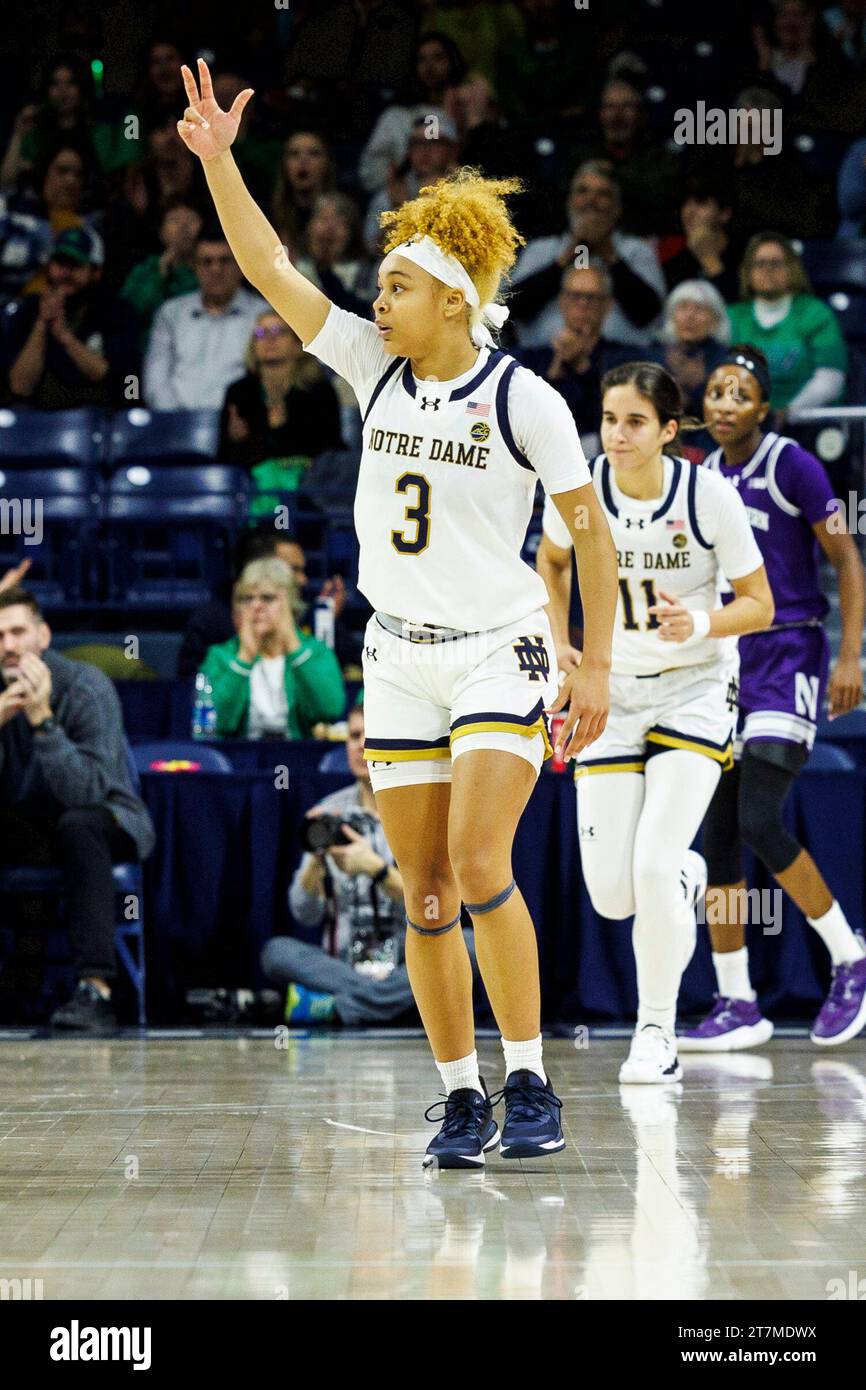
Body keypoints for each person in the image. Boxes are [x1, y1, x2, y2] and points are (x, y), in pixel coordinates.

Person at [177, 58, 618, 1168]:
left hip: (498, 653)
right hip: (398, 655)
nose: (377, 298)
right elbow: (271, 265)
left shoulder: (526, 399)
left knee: (478, 865)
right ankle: (460, 1094)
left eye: (397, 285)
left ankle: (530, 1081)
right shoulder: (371, 363)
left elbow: (593, 537)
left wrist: (597, 670)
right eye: (378, 284)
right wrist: (220, 163)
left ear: (454, 299)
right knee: (422, 890)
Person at [537, 362, 773, 1084]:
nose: (617, 433)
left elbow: (759, 604)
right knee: (613, 894)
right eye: (609, 419)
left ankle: (655, 1034)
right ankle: (683, 875)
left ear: (670, 430)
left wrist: (700, 621)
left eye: (635, 421)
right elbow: (551, 563)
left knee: (650, 861)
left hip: (693, 689)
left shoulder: (708, 496)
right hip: (610, 693)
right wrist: (560, 645)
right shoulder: (582, 490)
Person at [681, 345, 866, 1051]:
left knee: (760, 816)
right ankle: (736, 1000)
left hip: (790, 647)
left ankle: (850, 960)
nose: (725, 402)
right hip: (728, 657)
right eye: (716, 391)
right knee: (720, 833)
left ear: (762, 407)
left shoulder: (791, 463)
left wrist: (849, 655)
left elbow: (847, 556)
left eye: (740, 392)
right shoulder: (701, 477)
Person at [263, 699, 476, 1025]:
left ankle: (341, 1008)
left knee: (470, 944)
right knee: (275, 952)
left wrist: (375, 870)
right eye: (354, 735)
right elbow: (303, 913)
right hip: (342, 964)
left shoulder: (424, 810)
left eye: (371, 734)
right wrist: (316, 863)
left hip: (409, 961)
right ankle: (393, 1003)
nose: (361, 745)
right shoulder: (329, 812)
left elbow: (439, 906)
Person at [0, 586, 156, 1031]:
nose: (8, 646)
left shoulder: (86, 686)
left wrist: (43, 721)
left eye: (17, 632)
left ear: (43, 636)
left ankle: (96, 990)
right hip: (27, 823)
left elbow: (88, 791)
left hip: (108, 817)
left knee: (78, 825)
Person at [509, 160, 666, 349]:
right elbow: (514, 308)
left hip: (618, 360)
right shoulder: (541, 250)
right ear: (569, 201)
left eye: (603, 194)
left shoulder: (637, 251)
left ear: (617, 207)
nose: (591, 200)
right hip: (541, 360)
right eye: (583, 191)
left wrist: (609, 253)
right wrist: (568, 255)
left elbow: (648, 313)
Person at [177, 527, 353, 678]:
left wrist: (326, 621)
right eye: (294, 569)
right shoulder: (210, 623)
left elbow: (339, 678)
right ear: (257, 569)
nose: (303, 580)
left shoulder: (305, 611)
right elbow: (193, 689)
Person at [200, 556, 345, 741]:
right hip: (240, 761)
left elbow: (329, 709)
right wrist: (244, 657)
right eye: (247, 598)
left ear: (290, 603)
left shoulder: (316, 652)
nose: (256, 605)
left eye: (267, 598)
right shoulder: (221, 656)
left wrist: (293, 644)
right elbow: (212, 723)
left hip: (301, 760)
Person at [3, 225, 139, 409]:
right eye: (60, 264)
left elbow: (126, 383)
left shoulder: (118, 312)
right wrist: (41, 325)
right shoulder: (28, 310)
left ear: (96, 272)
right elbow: (19, 387)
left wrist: (65, 337)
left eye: (75, 265)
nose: (65, 274)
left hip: (100, 419)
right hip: (39, 422)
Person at [514, 261, 635, 454]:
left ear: (608, 305)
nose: (583, 304)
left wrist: (582, 367)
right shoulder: (532, 359)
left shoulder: (624, 359)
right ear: (562, 301)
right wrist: (554, 372)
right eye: (575, 296)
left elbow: (619, 416)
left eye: (592, 297)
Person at [143, 224, 268, 409]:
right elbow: (156, 378)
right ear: (195, 267)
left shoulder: (262, 315)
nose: (216, 270)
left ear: (241, 266)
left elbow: (270, 374)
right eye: (207, 262)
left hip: (241, 428)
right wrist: (178, 421)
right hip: (178, 424)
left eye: (224, 261)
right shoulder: (170, 314)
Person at [727, 233, 848, 415]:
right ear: (747, 271)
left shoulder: (815, 313)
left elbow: (831, 379)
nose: (768, 270)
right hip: (743, 422)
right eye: (760, 264)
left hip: (805, 422)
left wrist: (789, 412)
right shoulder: (731, 316)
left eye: (775, 263)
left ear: (792, 269)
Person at [218, 309, 344, 483]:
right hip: (252, 490)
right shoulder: (239, 392)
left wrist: (281, 431)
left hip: (310, 489)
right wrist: (236, 440)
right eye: (261, 333)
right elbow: (227, 458)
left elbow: (330, 451)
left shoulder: (319, 391)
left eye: (278, 331)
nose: (269, 339)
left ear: (297, 343)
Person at [119, 196, 202, 342]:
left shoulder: (214, 269)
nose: (184, 226)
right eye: (174, 219)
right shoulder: (144, 271)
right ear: (161, 232)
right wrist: (160, 276)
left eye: (191, 219)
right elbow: (130, 313)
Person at [653, 280, 732, 421]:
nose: (690, 316)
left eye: (699, 309)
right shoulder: (656, 355)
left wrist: (701, 385)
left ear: (715, 319)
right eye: (683, 308)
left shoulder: (728, 361)